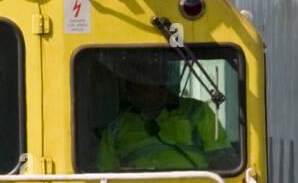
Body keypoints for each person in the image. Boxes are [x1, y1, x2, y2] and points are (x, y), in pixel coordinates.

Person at [96, 55, 233, 172]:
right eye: (135, 84)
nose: (140, 89)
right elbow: (105, 171)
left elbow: (221, 154)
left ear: (163, 84)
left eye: (147, 83)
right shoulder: (117, 127)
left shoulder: (196, 111)